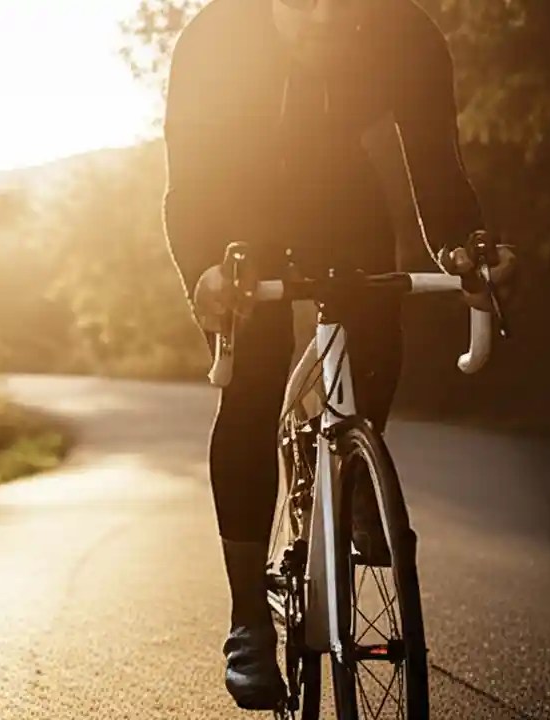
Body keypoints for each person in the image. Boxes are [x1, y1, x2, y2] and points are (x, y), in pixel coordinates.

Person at [161, 0, 517, 710]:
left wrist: (463, 246)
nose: (323, 15)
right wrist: (204, 268)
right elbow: (188, 185)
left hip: (341, 201)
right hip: (236, 213)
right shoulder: (214, 39)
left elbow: (436, 166)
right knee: (255, 381)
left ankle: (354, 479)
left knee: (378, 319)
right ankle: (247, 620)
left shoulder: (404, 33)